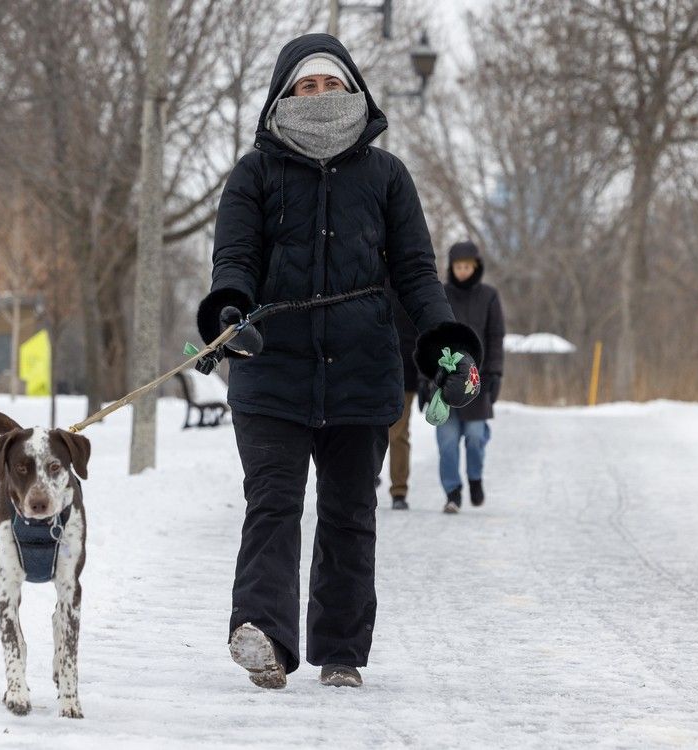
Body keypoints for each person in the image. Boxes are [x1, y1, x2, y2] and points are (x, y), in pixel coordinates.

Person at [196, 34, 482, 690]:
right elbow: (233, 259)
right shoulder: (253, 175)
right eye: (307, 85)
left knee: (350, 513)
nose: (320, 95)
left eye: (331, 84)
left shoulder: (387, 177)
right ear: (283, 95)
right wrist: (231, 313)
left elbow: (416, 272)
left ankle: (341, 651)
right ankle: (263, 635)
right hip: (271, 369)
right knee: (273, 502)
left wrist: (446, 343)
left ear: (354, 90)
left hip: (361, 370)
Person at [427, 241, 505, 513]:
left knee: (475, 437)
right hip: (444, 379)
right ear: (452, 267)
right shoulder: (440, 294)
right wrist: (426, 379)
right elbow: (428, 336)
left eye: (467, 266)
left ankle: (474, 478)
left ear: (476, 266)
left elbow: (495, 337)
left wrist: (495, 373)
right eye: (458, 266)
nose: (462, 271)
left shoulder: (489, 296)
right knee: (447, 442)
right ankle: (453, 492)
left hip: (476, 381)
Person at [383, 289, 430, 510]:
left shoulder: (412, 286)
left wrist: (424, 377)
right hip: (370, 371)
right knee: (363, 431)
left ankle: (399, 491)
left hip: (406, 374)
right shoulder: (370, 280)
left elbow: (425, 335)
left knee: (398, 433)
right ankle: (366, 476)